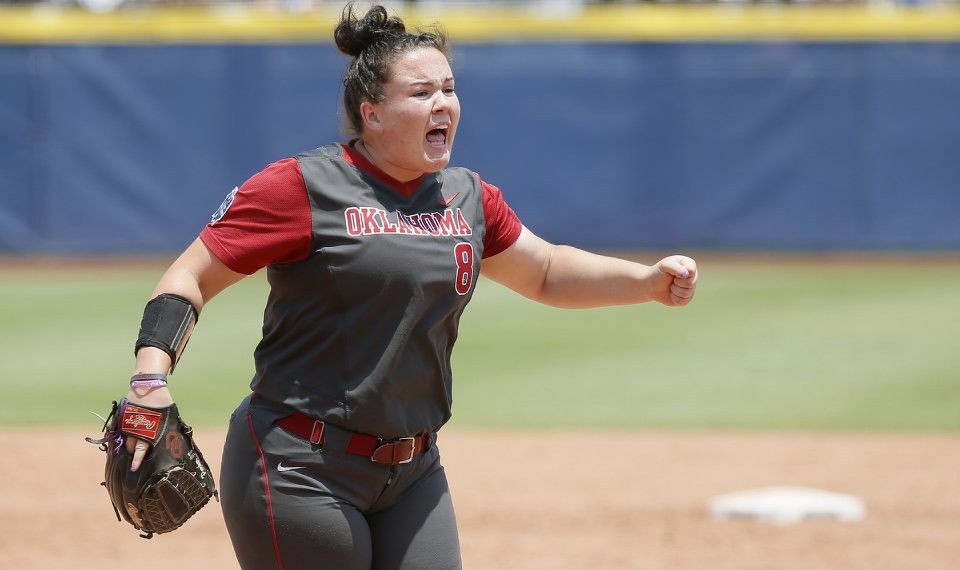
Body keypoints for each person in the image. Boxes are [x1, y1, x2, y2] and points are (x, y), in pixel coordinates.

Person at [122, 3, 698, 568]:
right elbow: (189, 275)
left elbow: (544, 269)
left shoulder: (467, 196)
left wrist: (644, 282)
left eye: (448, 88)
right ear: (371, 113)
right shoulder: (303, 186)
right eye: (421, 93)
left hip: (413, 470)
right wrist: (150, 379)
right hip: (299, 464)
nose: (443, 103)